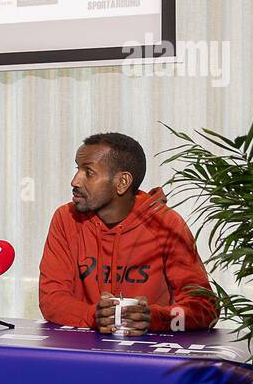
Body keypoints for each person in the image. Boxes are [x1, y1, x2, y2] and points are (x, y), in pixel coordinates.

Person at [39, 132, 216, 334]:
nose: (75, 181)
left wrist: (154, 318)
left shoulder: (166, 223)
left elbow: (205, 309)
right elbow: (50, 299)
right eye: (77, 169)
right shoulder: (66, 218)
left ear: (122, 182)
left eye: (88, 172)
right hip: (82, 354)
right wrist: (93, 316)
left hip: (147, 357)